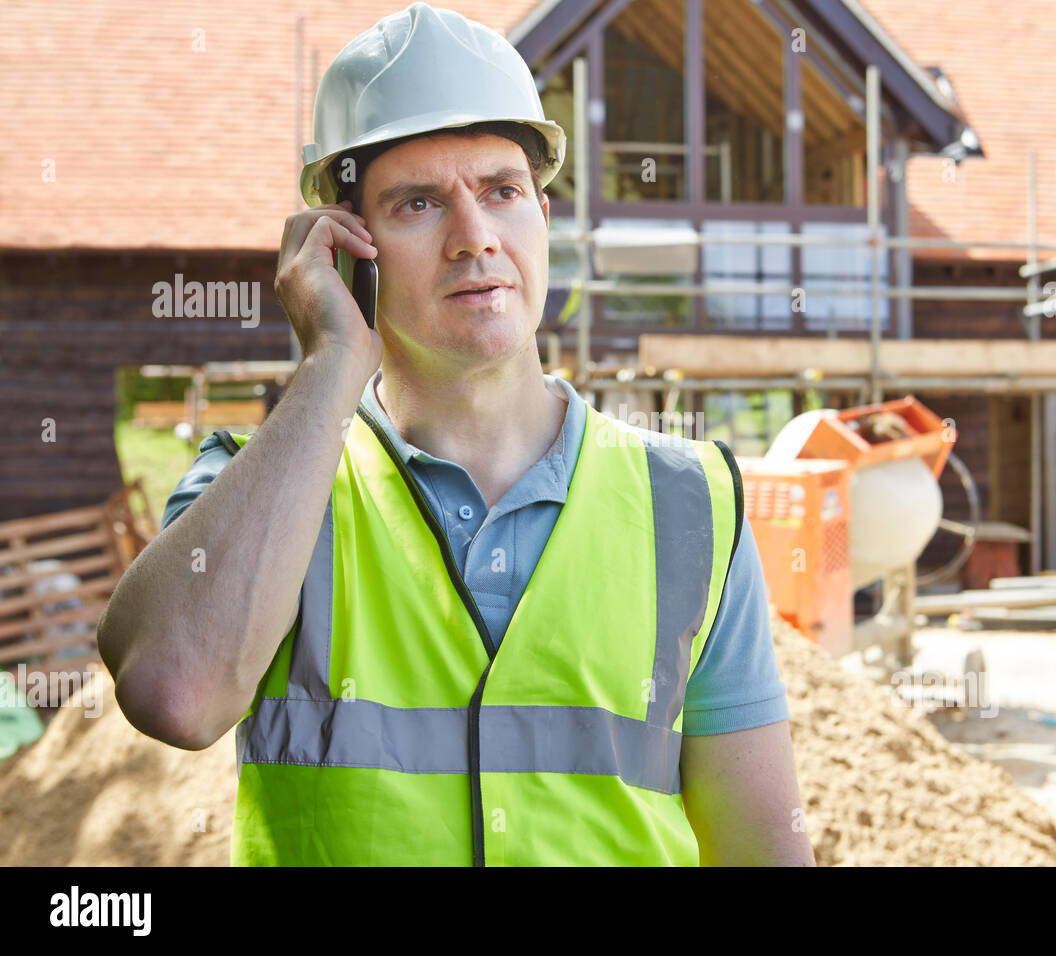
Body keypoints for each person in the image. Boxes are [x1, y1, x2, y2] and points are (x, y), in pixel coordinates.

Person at [98, 2, 814, 867]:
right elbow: (175, 694)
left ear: (542, 217)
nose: (475, 238)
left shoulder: (691, 505)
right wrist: (330, 362)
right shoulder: (258, 492)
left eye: (502, 191)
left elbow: (761, 852)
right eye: (418, 205)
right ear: (348, 254)